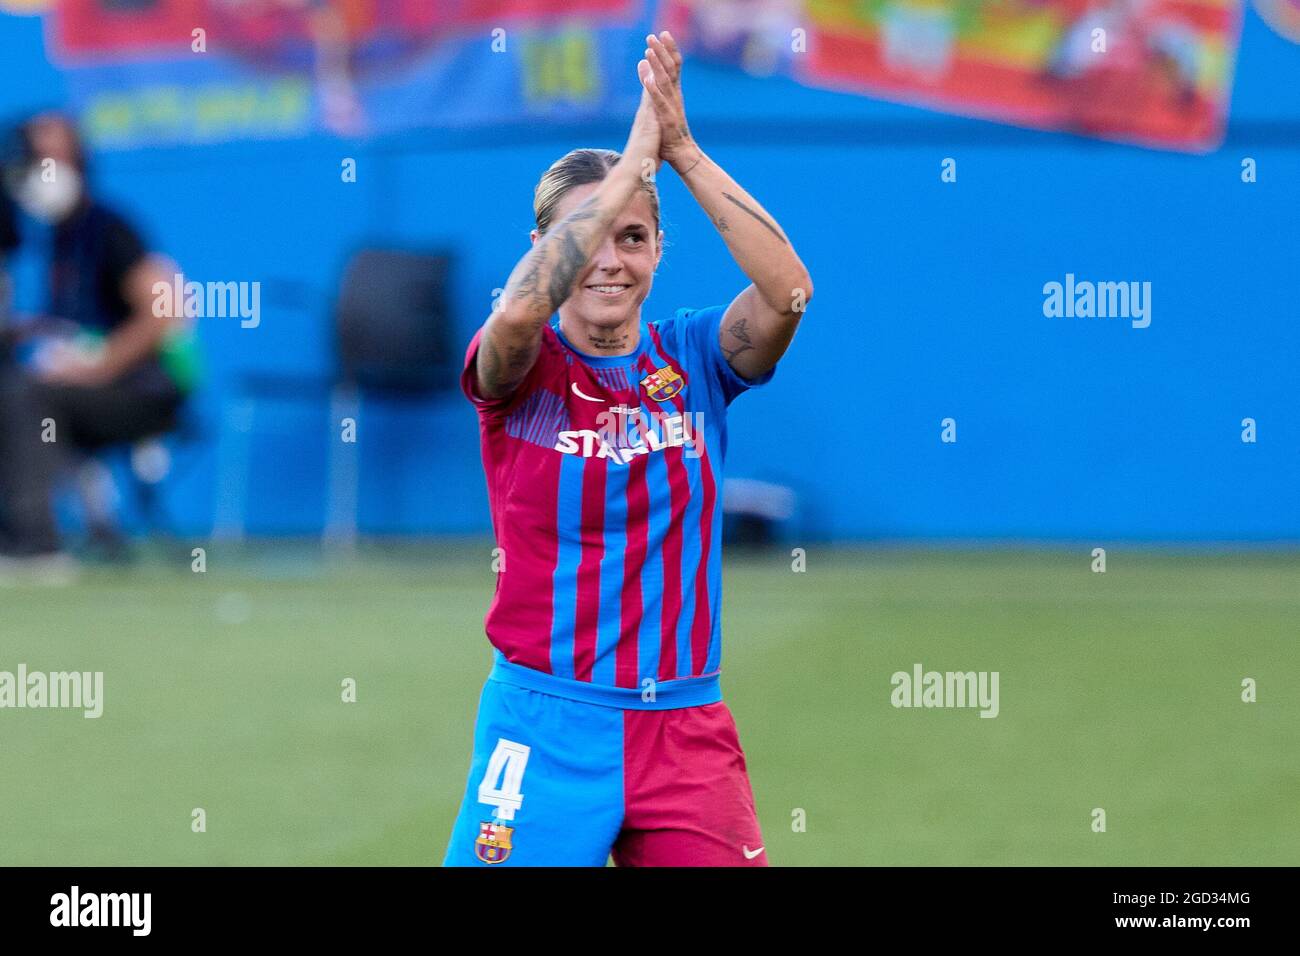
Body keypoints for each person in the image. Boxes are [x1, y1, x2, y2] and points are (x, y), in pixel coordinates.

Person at [444, 31, 813, 866]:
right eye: (591, 237)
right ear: (545, 248)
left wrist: (677, 150)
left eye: (634, 238)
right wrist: (622, 178)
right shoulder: (519, 367)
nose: (610, 262)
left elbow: (788, 293)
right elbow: (512, 317)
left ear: (657, 250)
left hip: (685, 733)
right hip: (542, 727)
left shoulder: (694, 361)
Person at [0, 113, 196, 575]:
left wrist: (97, 366)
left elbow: (166, 312)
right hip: (71, 391)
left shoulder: (109, 229)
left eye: (53, 160)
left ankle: (38, 548)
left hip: (144, 393)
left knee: (28, 397)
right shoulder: (40, 240)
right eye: (32, 161)